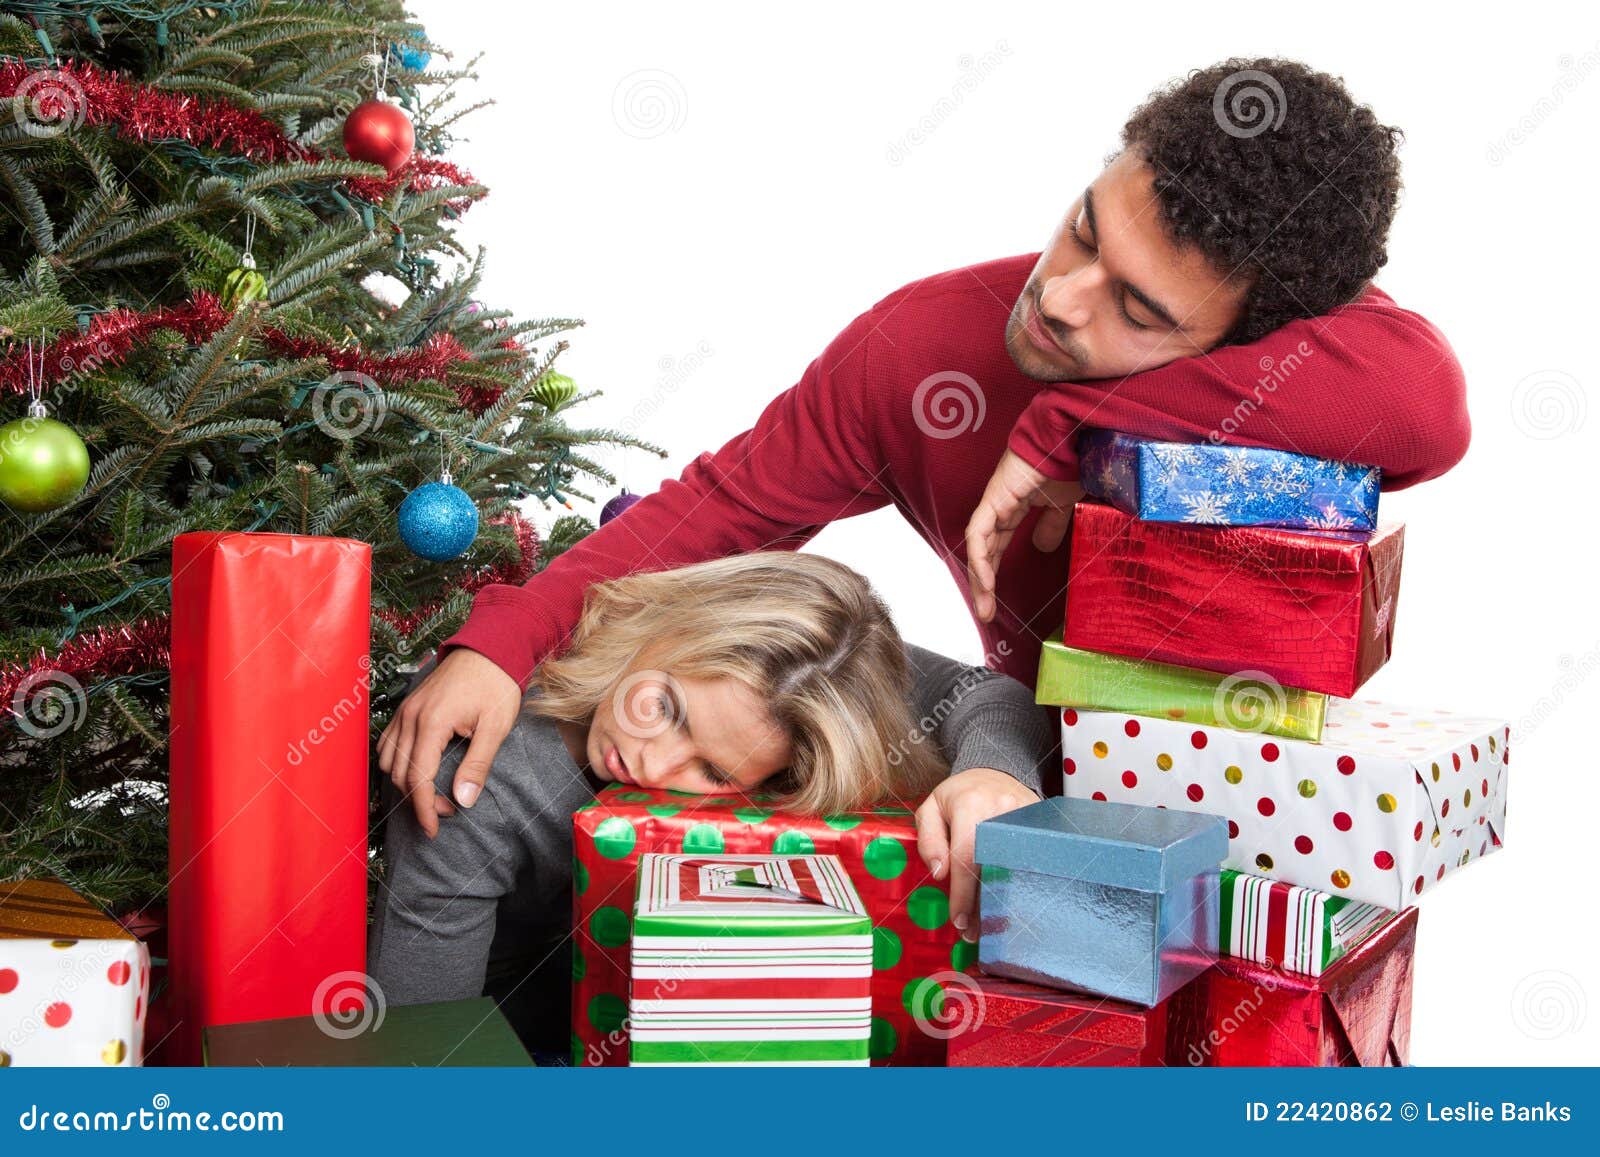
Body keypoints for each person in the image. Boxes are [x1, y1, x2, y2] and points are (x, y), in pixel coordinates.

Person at [380, 57, 1472, 926]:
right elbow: (715, 512)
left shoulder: (1317, 362)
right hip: (1024, 786)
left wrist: (1074, 425)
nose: (1062, 295)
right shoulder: (924, 350)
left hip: (1236, 782)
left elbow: (1430, 408)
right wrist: (501, 636)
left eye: (1139, 313)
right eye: (1085, 228)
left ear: (1248, 338)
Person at [371, 552, 1054, 1052]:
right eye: (667, 706)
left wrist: (995, 773)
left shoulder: (793, 680)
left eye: (711, 768)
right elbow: (423, 1049)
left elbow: (984, 694)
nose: (651, 760)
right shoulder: (484, 771)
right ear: (667, 623)